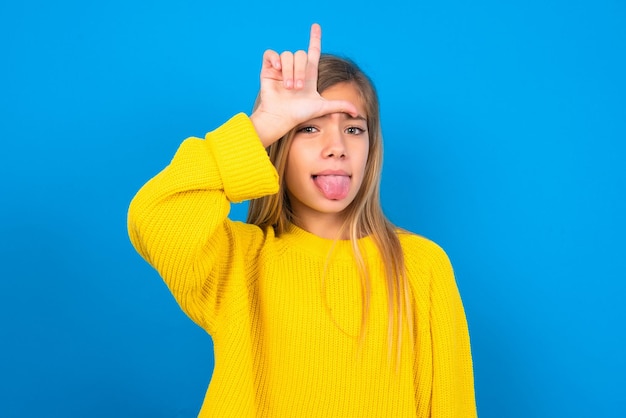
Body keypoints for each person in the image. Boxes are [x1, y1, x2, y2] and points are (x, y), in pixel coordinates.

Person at [128, 23, 477, 417]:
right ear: (279, 147)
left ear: (371, 147)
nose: (337, 148)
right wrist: (264, 123)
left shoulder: (421, 266)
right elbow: (155, 214)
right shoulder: (238, 260)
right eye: (309, 128)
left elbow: (453, 406)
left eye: (353, 129)